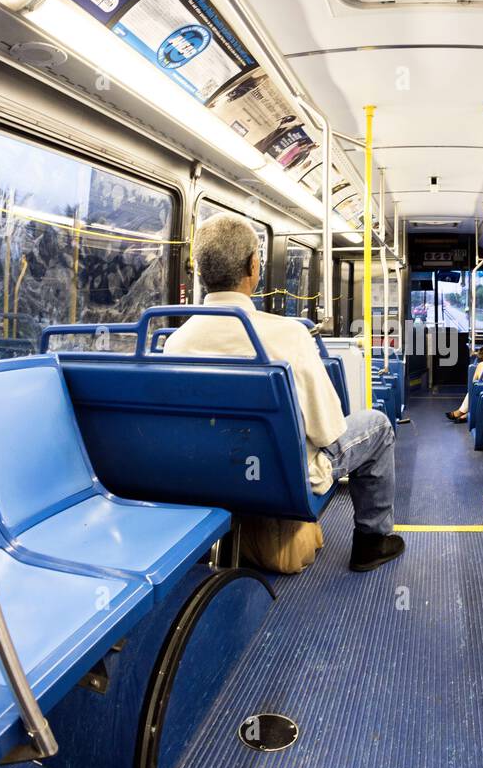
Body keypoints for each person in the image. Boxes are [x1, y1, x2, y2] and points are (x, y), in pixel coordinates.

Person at [162, 213, 405, 572]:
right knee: (378, 426)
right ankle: (372, 540)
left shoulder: (176, 342)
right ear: (254, 266)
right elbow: (328, 429)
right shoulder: (286, 334)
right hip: (283, 475)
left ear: (199, 271)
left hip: (205, 472)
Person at [448, 345, 483, 423]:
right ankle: (464, 413)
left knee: (473, 389)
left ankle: (462, 412)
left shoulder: (482, 365)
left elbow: (473, 383)